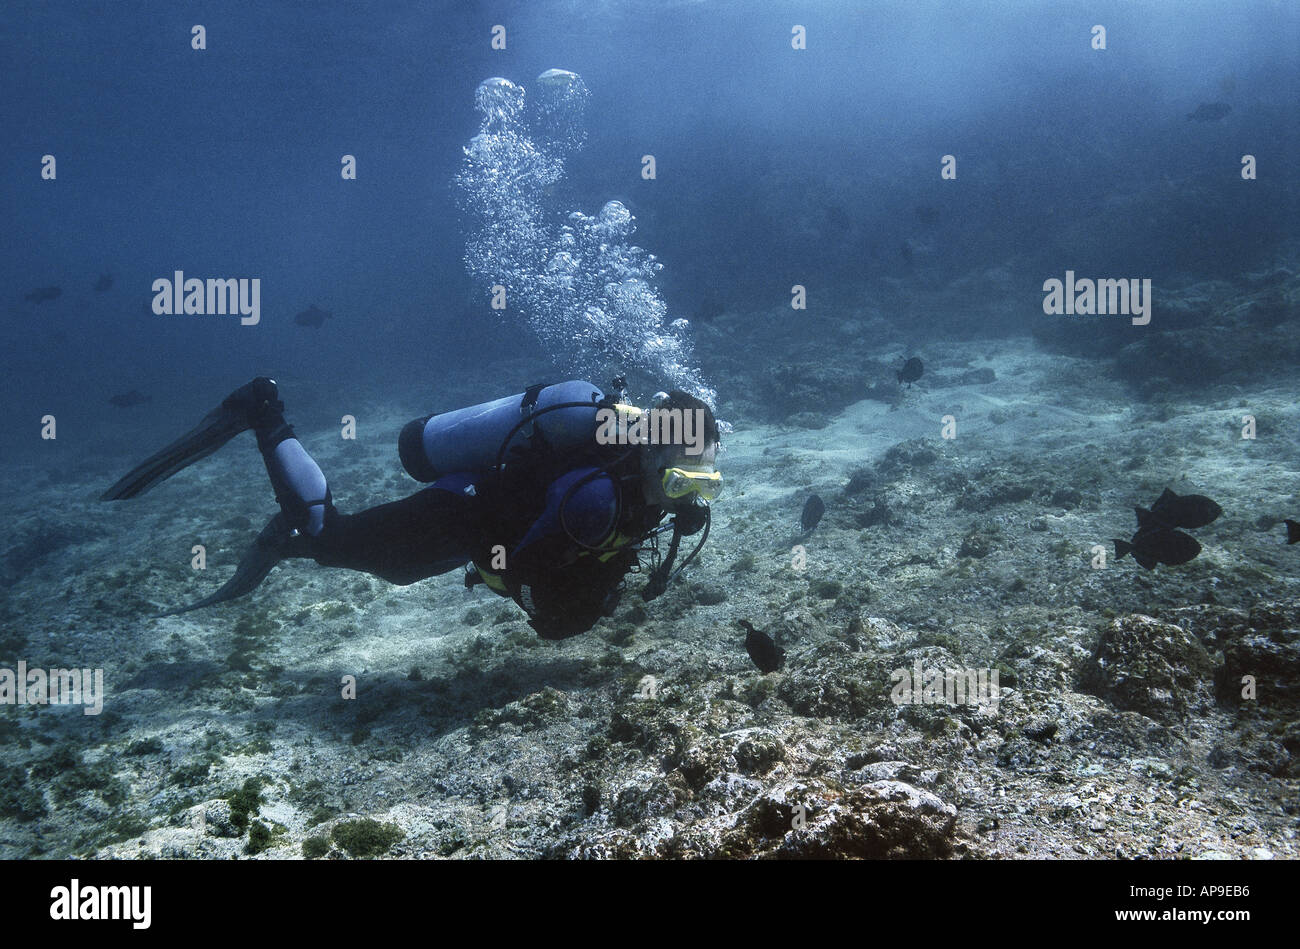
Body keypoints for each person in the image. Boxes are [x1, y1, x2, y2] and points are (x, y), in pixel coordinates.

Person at [101, 377, 722, 639]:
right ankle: (263, 414)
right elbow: (528, 569)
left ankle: (287, 537)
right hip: (460, 510)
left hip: (489, 520)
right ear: (649, 452)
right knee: (337, 540)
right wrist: (520, 585)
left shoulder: (642, 492)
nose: (693, 490)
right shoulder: (595, 496)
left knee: (396, 570)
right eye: (685, 475)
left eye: (705, 479)